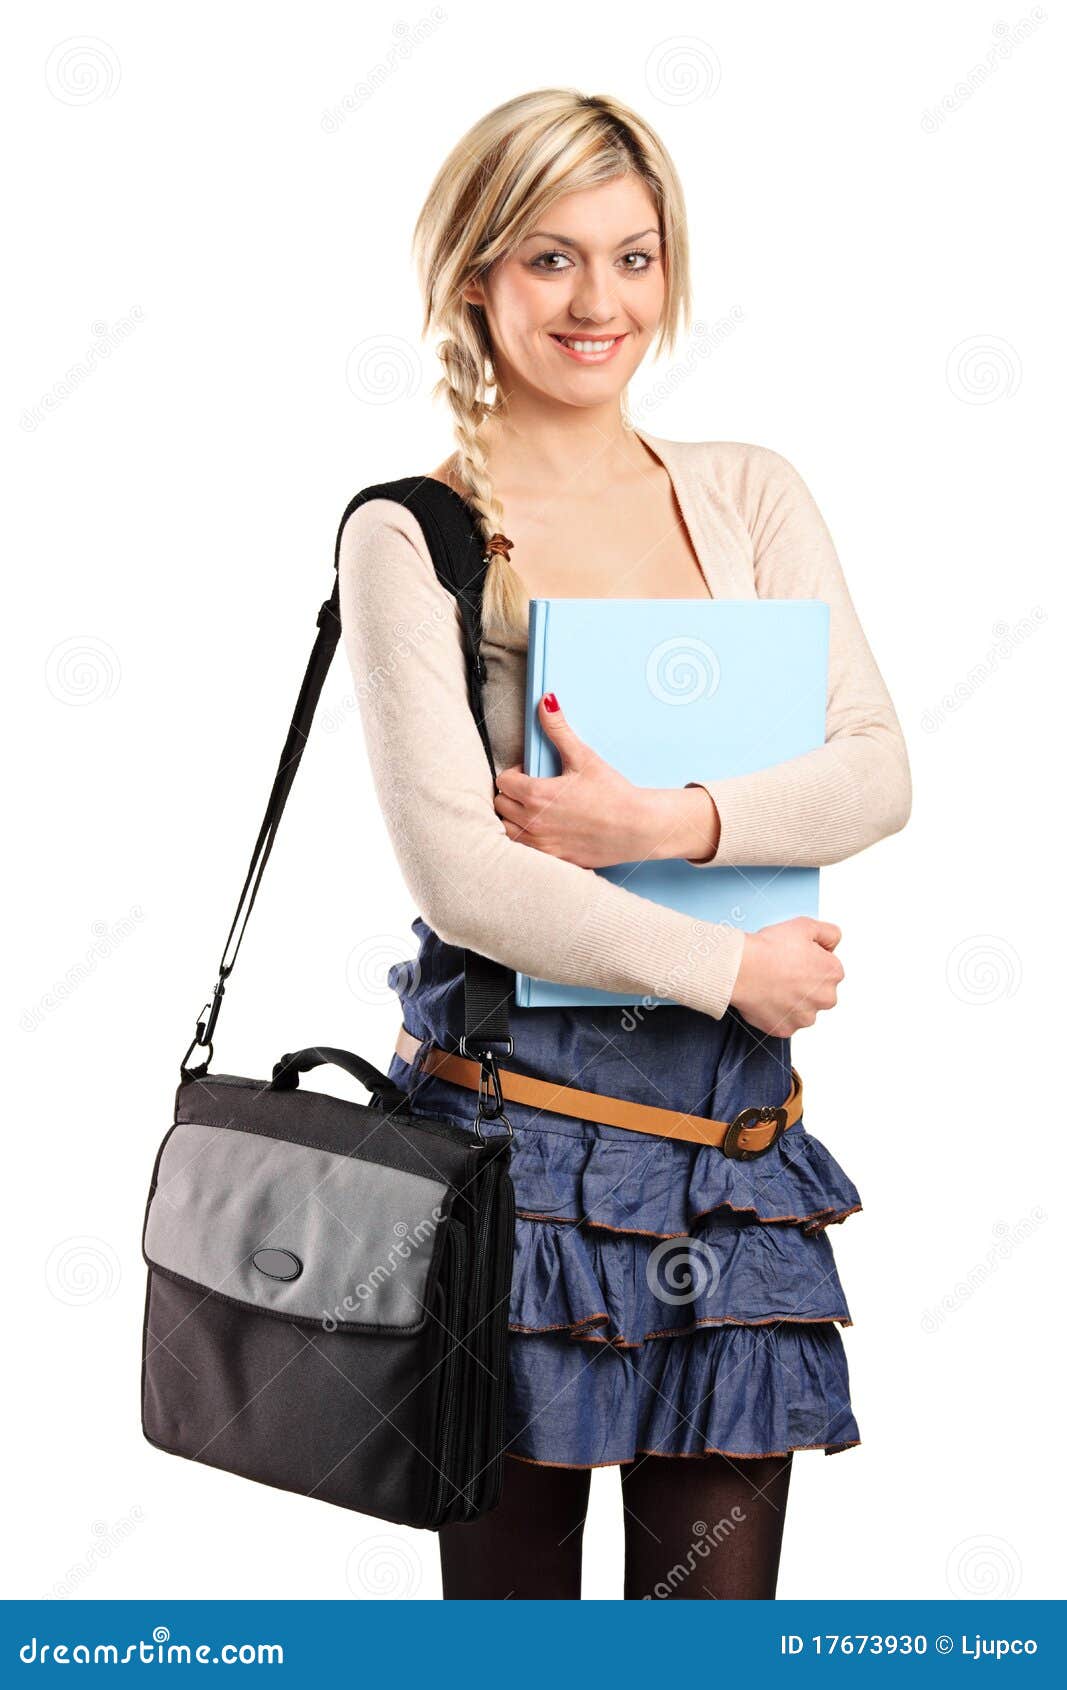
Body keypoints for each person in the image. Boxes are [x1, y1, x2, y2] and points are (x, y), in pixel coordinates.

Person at [338, 89, 911, 1600]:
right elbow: (460, 877)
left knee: (707, 1644)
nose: (601, 303)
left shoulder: (747, 493)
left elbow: (875, 770)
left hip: (730, 1169)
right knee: (513, 1641)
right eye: (548, 259)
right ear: (474, 276)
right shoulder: (415, 532)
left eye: (633, 256)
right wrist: (734, 965)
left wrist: (655, 823)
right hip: (510, 1167)